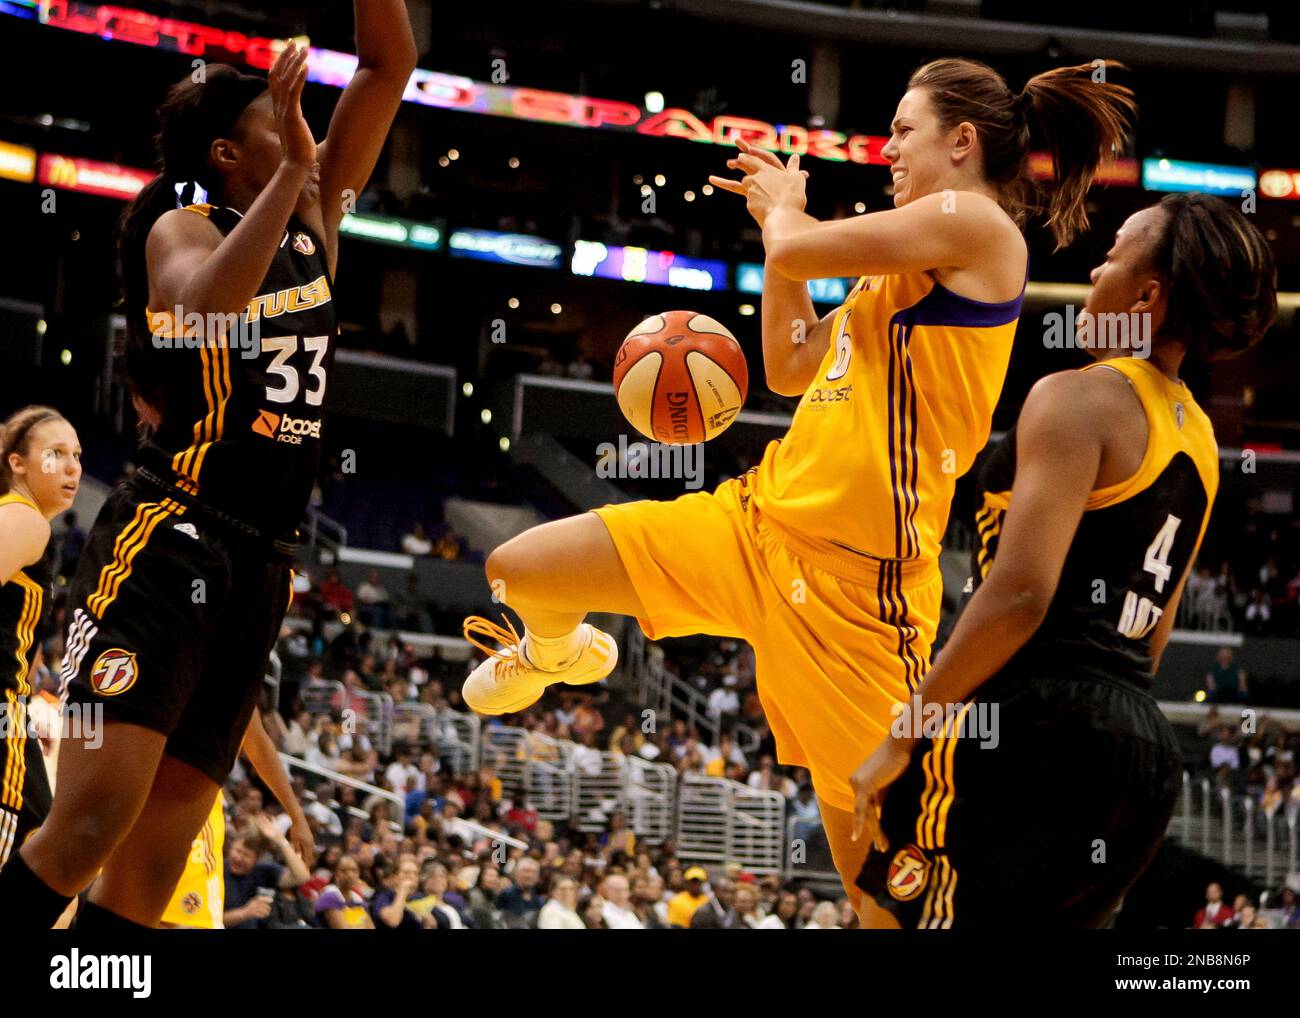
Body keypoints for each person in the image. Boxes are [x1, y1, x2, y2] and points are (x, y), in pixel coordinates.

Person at [461, 59, 1134, 918]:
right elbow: (784, 365)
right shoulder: (901, 262)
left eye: (902, 129)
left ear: (962, 142)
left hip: (861, 599)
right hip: (754, 525)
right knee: (520, 569)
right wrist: (777, 232)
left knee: (879, 893)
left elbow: (798, 243)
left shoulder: (978, 227)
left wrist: (785, 215)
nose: (887, 146)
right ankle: (558, 653)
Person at [0, 3, 417, 931]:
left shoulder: (312, 210)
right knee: (88, 828)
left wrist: (308, 170)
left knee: (151, 873)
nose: (301, 125)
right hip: (169, 534)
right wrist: (302, 170)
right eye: (281, 116)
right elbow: (200, 307)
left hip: (263, 560)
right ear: (230, 155)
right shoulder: (176, 222)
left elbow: (390, 63)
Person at [852, 194, 1277, 928]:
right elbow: (1154, 631)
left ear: (1147, 294)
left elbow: (1020, 594)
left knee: (892, 911)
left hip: (1032, 717)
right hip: (1141, 751)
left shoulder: (1078, 398)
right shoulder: (1200, 437)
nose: (1094, 267)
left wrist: (905, 732)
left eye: (1113, 253)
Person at [0, 408, 82, 870]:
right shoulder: (26, 520)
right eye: (56, 454)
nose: (73, 466)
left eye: (77, 455)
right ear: (18, 463)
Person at [160, 709, 314, 929]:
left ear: (257, 857)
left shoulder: (261, 872)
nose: (240, 858)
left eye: (246, 854)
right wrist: (245, 913)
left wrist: (286, 832)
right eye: (239, 851)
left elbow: (301, 876)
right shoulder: (217, 865)